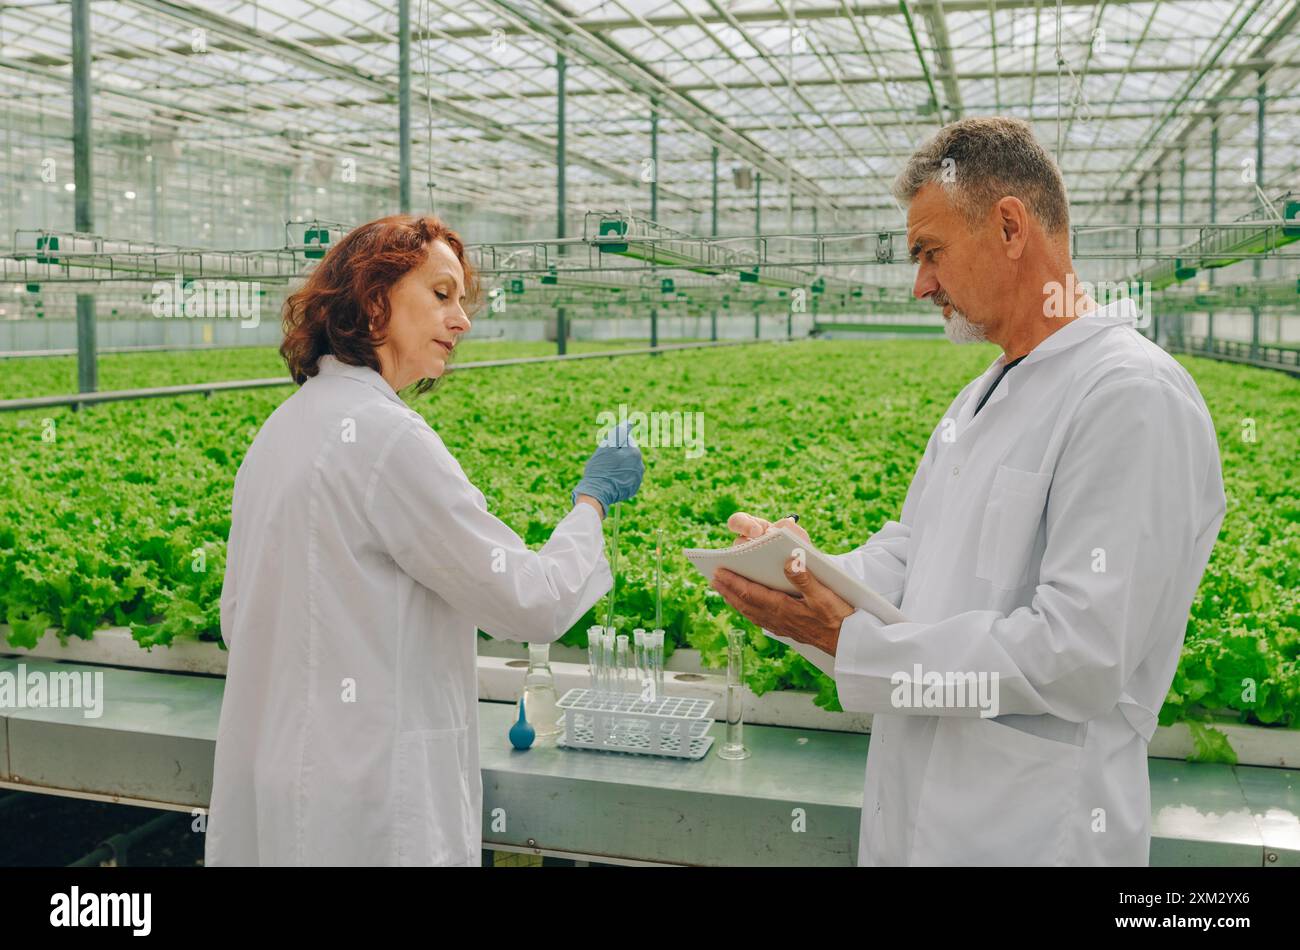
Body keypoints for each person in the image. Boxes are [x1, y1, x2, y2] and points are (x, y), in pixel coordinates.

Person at [712, 117, 1226, 866]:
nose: (920, 283)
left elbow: (1080, 651)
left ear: (1010, 226)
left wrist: (852, 643)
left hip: (1031, 835)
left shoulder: (1130, 396)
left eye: (930, 251)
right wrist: (806, 574)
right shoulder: (983, 397)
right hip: (919, 821)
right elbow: (918, 554)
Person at [206, 214, 643, 866]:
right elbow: (530, 601)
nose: (462, 319)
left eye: (462, 299)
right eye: (441, 294)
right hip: (370, 813)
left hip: (282, 790)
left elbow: (238, 619)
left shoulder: (282, 430)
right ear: (373, 298)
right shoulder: (387, 438)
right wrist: (592, 504)